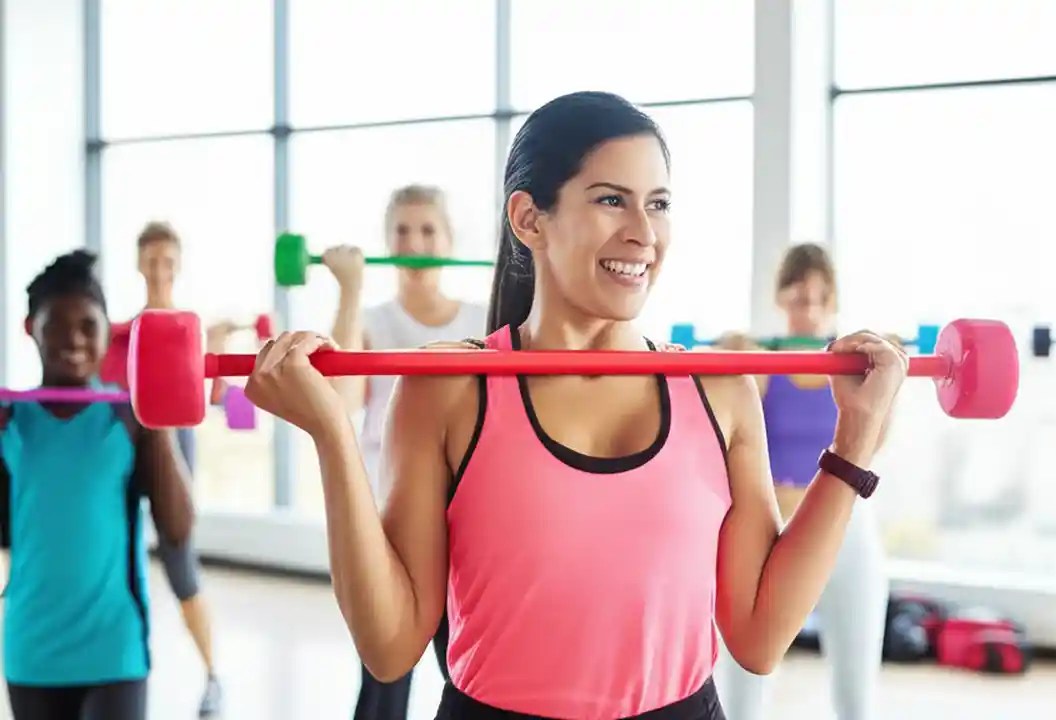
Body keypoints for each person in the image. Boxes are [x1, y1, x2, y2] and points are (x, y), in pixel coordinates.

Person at [243, 90, 907, 719]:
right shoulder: (448, 388)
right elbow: (389, 648)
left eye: (658, 204)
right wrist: (331, 435)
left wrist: (854, 443)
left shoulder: (719, 391)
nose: (643, 233)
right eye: (612, 200)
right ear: (529, 218)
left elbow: (760, 638)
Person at [0, 249, 194, 720]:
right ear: (30, 328)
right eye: (56, 326)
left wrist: (159, 418)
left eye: (89, 326)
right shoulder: (10, 419)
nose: (74, 339)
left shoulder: (128, 417)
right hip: (32, 648)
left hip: (114, 649)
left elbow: (177, 528)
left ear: (108, 331)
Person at [324, 185, 488, 720]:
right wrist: (349, 290)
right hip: (392, 517)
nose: (414, 243)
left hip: (469, 521)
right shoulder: (369, 322)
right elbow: (341, 400)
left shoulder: (484, 320)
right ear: (386, 242)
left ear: (449, 240)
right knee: (383, 682)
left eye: (427, 231)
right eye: (402, 231)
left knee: (467, 675)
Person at [716, 242, 891, 720]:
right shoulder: (762, 367)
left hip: (847, 530)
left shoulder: (858, 372)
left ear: (833, 301)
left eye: (819, 300)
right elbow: (725, 431)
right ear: (781, 300)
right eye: (798, 299)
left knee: (857, 701)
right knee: (743, 700)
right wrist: (733, 364)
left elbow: (872, 447)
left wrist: (888, 384)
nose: (809, 313)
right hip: (770, 531)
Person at [99, 222, 224, 716]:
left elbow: (215, 397)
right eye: (151, 260)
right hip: (125, 444)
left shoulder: (192, 332)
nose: (159, 269)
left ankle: (213, 676)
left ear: (179, 265)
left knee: (180, 564)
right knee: (115, 558)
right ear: (138, 263)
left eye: (167, 261)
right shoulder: (117, 337)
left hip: (173, 446)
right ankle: (119, 673)